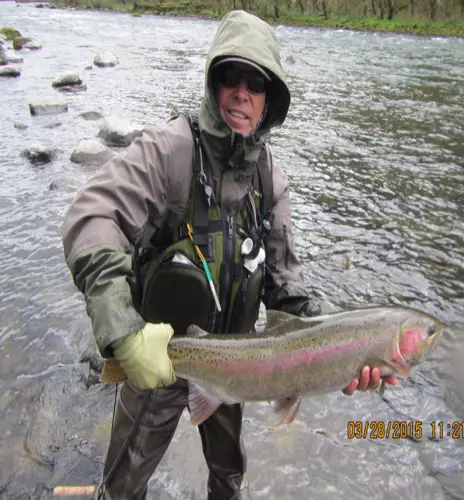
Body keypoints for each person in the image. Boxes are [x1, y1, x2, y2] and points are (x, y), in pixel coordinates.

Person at [61, 10, 396, 500]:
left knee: (229, 477)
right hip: (155, 357)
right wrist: (125, 335)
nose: (242, 91)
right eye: (230, 76)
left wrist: (345, 353)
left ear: (269, 100)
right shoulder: (171, 150)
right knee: (124, 484)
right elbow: (90, 217)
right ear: (213, 84)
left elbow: (287, 293)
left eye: (256, 82)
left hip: (239, 366)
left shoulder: (271, 181)